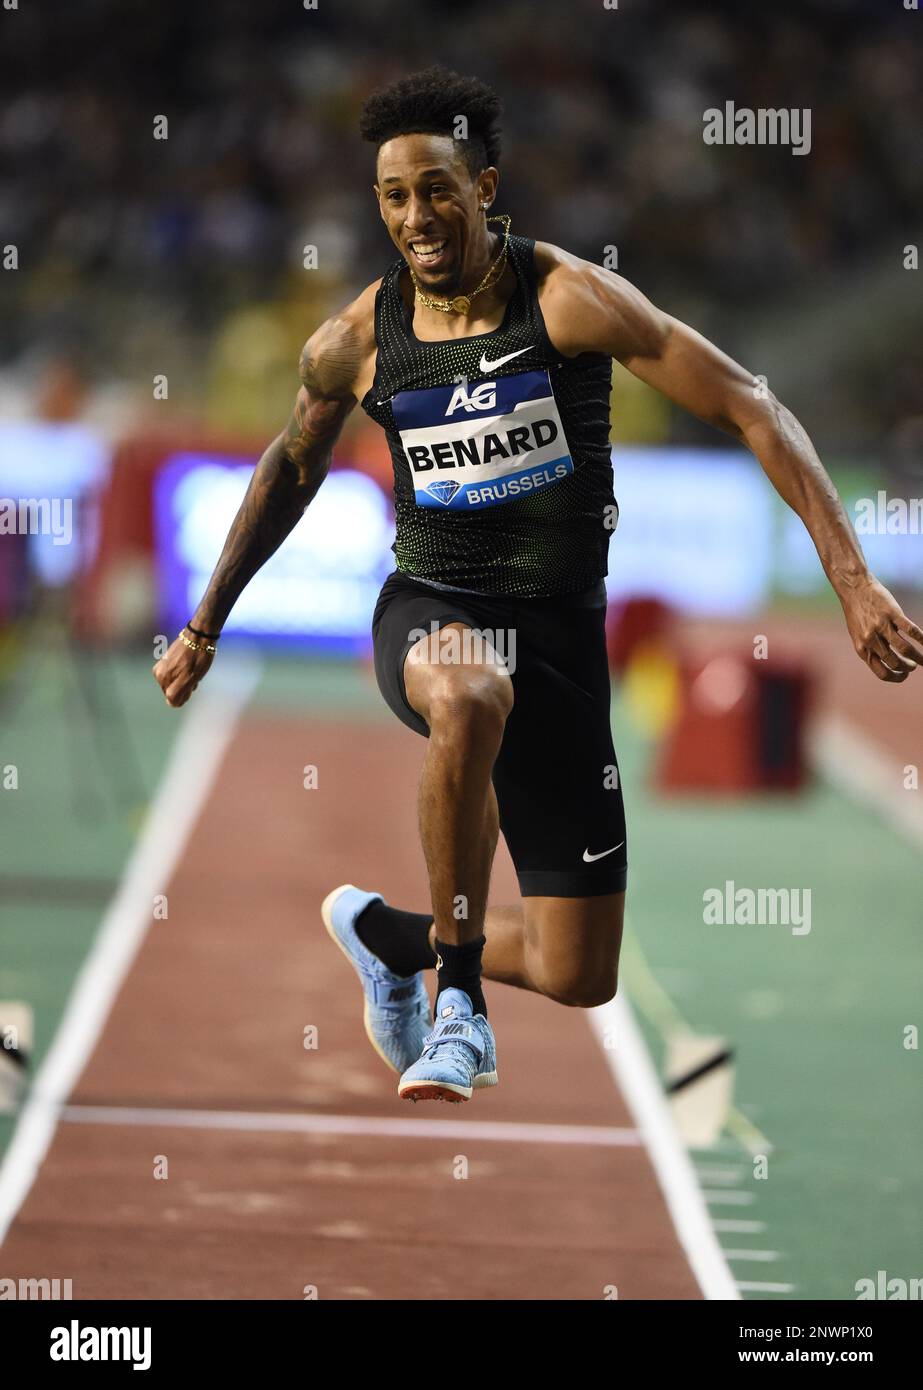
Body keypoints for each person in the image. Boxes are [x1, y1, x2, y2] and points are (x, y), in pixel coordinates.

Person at [153, 66, 923, 1104]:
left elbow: (749, 404)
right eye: (391, 195)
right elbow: (289, 467)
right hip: (429, 609)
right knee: (470, 691)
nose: (414, 215)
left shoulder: (564, 299)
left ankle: (387, 934)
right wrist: (204, 623)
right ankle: (458, 1001)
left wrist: (850, 577)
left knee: (576, 970)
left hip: (558, 645)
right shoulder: (355, 342)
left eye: (435, 188)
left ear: (484, 187)